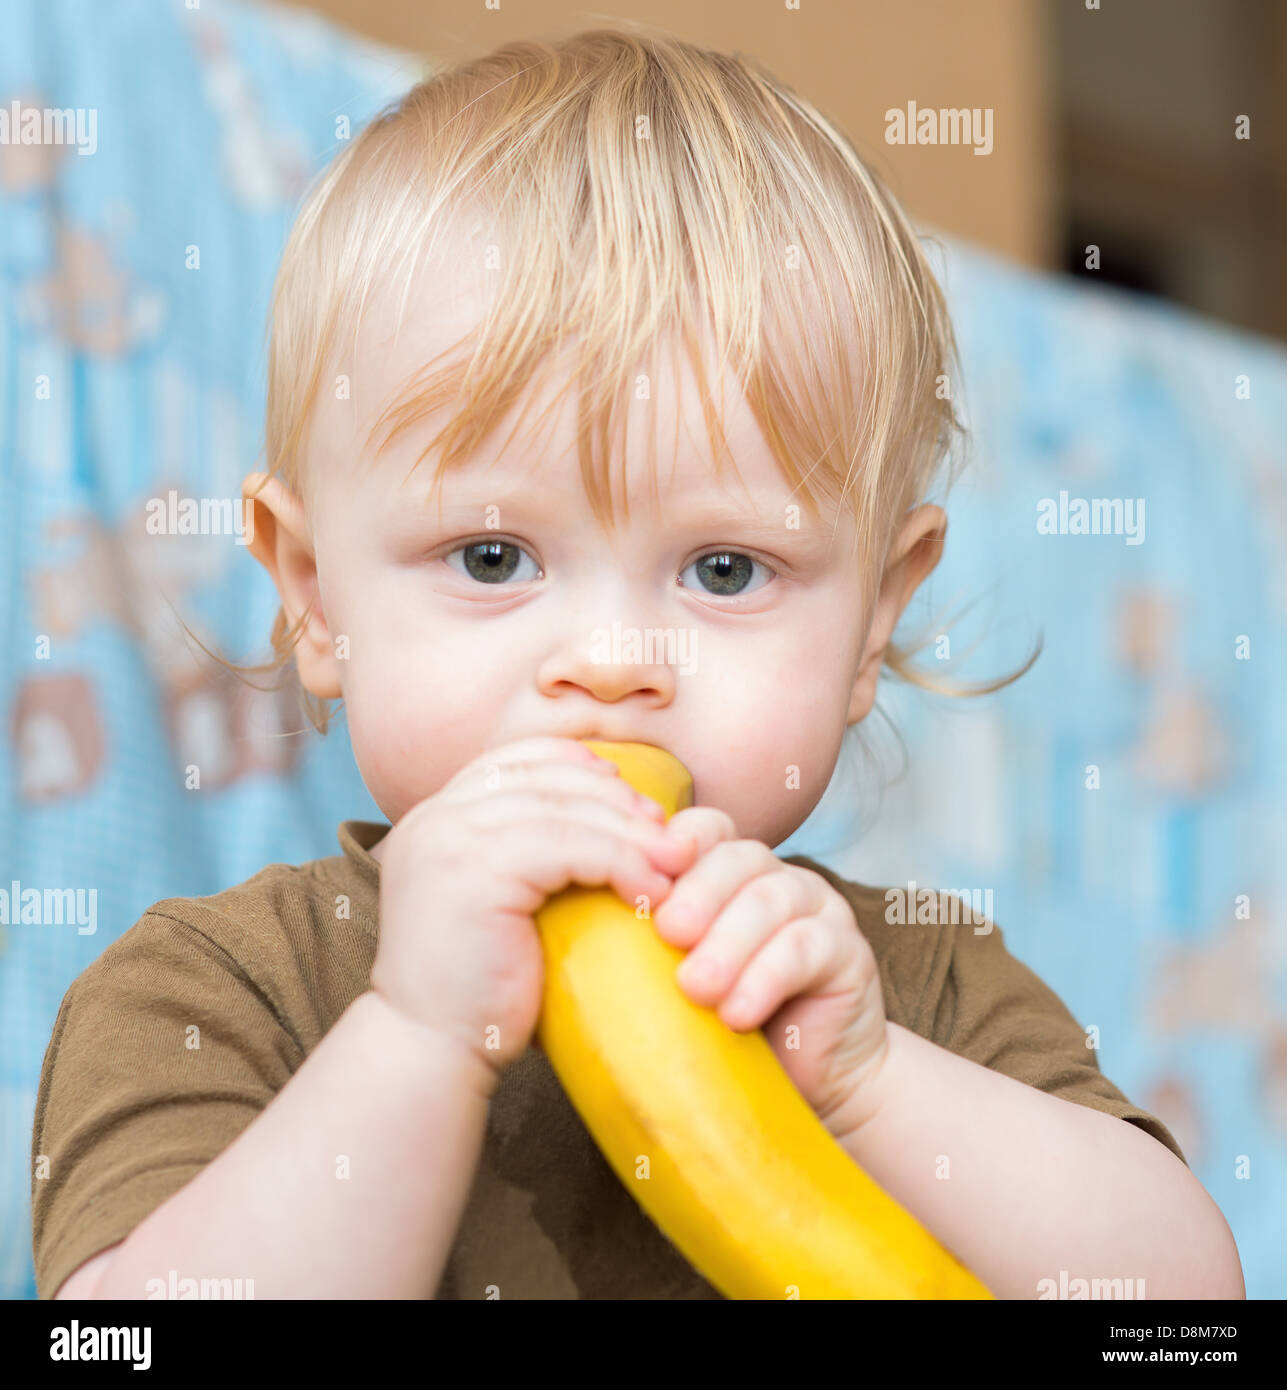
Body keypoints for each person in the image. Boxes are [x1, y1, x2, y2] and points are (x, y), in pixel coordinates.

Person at [31, 24, 1243, 1300]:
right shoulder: (219, 986)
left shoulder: (917, 990)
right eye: (492, 557)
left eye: (725, 570)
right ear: (316, 595)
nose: (614, 665)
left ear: (872, 624)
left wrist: (874, 1084)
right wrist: (417, 1035)